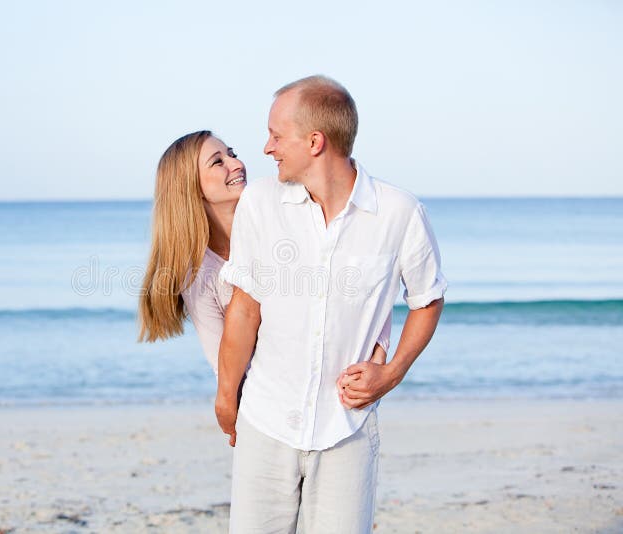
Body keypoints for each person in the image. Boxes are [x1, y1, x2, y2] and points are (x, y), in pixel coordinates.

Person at [215, 75, 447, 533]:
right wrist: (226, 396)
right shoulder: (260, 202)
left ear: (315, 141)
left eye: (276, 136)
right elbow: (245, 307)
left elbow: (428, 299)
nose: (266, 148)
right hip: (265, 420)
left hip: (349, 428)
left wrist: (392, 371)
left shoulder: (399, 212)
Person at [138, 129, 390, 376]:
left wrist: (379, 348)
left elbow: (363, 274)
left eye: (231, 153)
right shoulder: (198, 274)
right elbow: (224, 368)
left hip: (337, 382)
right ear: (191, 187)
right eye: (218, 162)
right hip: (270, 400)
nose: (236, 164)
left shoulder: (282, 215)